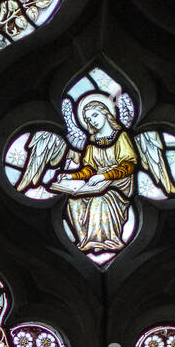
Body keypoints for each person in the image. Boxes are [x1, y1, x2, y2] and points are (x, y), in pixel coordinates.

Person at [51, 96, 138, 256]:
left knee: (100, 200)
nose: (93, 121)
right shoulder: (92, 141)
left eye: (95, 115)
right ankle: (86, 241)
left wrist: (105, 176)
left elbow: (128, 165)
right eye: (88, 119)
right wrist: (73, 177)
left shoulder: (121, 137)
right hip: (96, 183)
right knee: (73, 201)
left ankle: (106, 241)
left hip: (117, 185)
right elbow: (89, 169)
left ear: (105, 113)